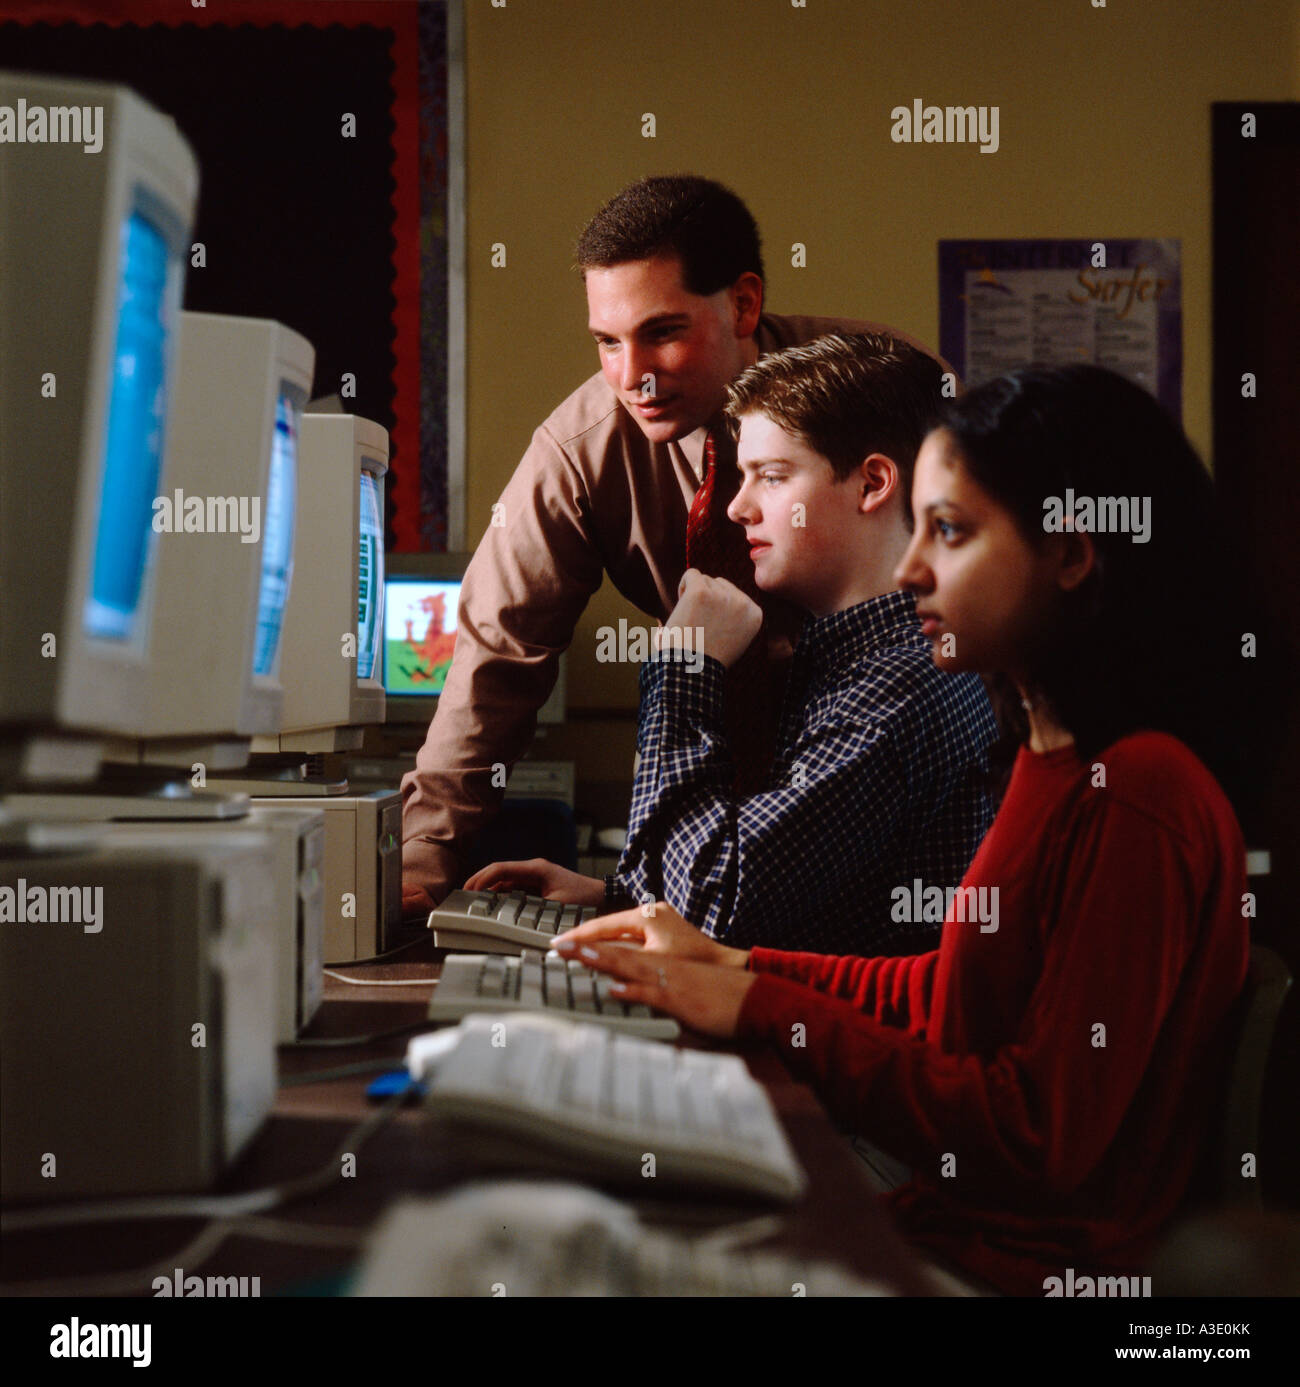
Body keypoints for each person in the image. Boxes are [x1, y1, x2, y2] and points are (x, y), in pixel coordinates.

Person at [553, 365, 1255, 1295]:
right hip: (949, 1230)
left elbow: (1037, 1133)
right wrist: (734, 967)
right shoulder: (1050, 756)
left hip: (1021, 1272)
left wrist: (760, 1003)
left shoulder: (1134, 792)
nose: (914, 567)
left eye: (951, 532)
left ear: (1072, 555)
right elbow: (954, 993)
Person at [401, 176, 946, 913]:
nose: (633, 378)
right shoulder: (580, 449)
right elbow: (495, 654)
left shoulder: (881, 394)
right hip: (745, 841)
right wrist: (422, 860)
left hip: (896, 785)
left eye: (662, 332)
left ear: (743, 304)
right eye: (606, 342)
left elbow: (1004, 574)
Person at [466, 334, 995, 955]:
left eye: (771, 477)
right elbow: (783, 890)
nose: (738, 508)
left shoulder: (894, 687)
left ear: (872, 483)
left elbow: (713, 909)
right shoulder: (861, 660)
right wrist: (617, 895)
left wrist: (683, 665)